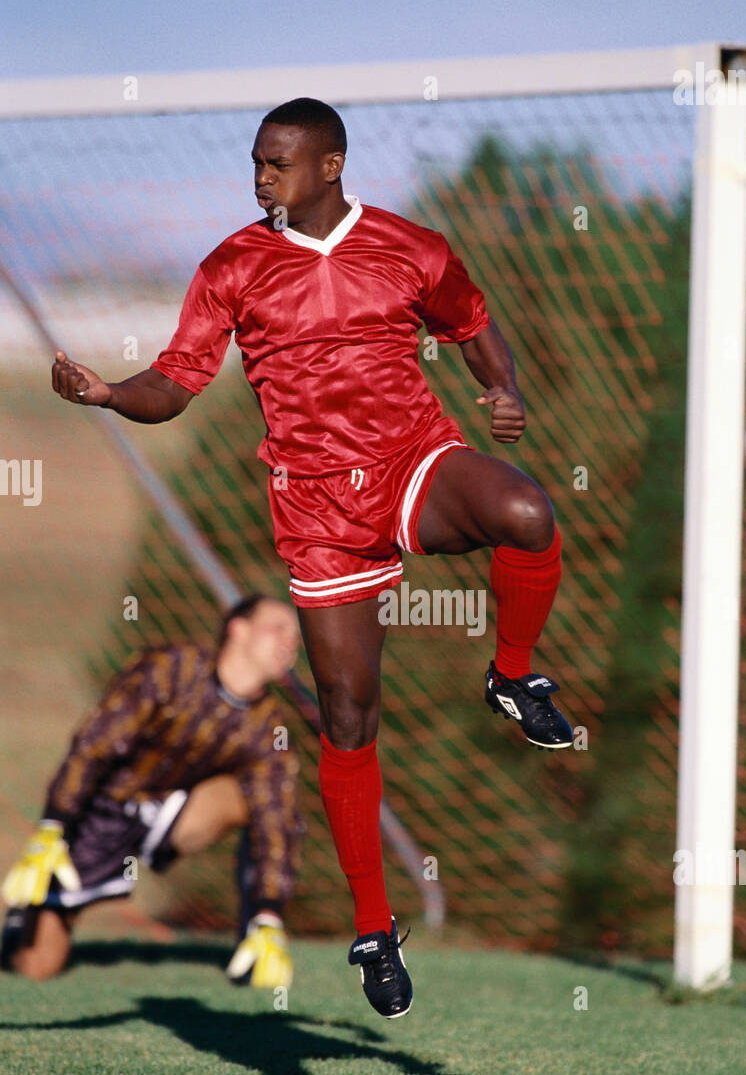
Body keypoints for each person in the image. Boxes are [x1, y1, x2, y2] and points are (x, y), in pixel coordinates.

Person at [48, 97, 573, 1019]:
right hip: (319, 509)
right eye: (254, 164)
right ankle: (375, 929)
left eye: (276, 164)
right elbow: (175, 383)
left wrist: (503, 389)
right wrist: (105, 392)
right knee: (346, 712)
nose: (260, 180)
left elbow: (471, 318)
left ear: (329, 166)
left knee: (526, 510)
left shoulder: (411, 247)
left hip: (414, 460)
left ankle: (514, 677)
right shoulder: (233, 266)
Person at [2, 596, 303, 989]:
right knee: (37, 965)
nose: (289, 642)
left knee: (261, 802)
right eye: (278, 627)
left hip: (170, 817)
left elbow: (276, 820)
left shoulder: (269, 726)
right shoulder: (170, 669)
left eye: (296, 637)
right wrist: (53, 827)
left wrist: (269, 913)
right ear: (238, 628)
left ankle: (252, 936)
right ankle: (19, 919)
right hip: (101, 818)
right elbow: (94, 745)